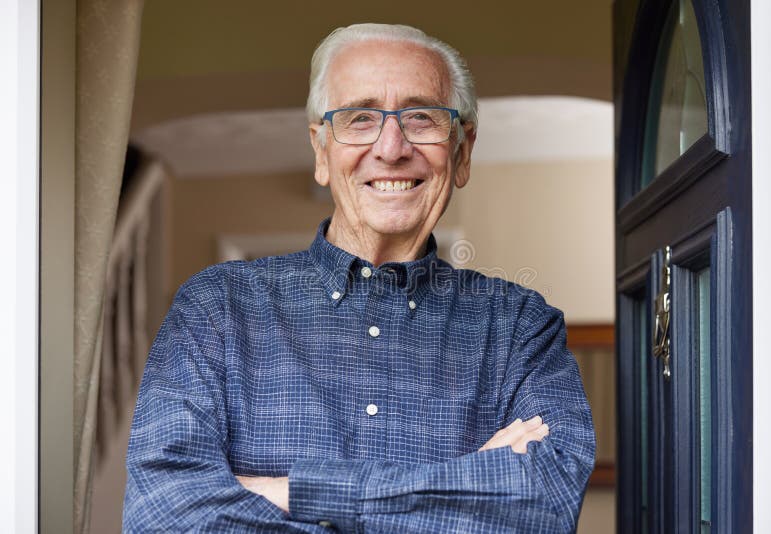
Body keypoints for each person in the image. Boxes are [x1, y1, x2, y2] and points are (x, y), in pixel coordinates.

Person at [123, 23, 595, 533]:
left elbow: (543, 510)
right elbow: (165, 518)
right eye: (360, 118)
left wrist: (290, 491)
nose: (391, 147)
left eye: (421, 117)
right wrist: (459, 485)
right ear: (321, 151)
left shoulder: (522, 326)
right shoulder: (215, 307)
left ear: (462, 152)